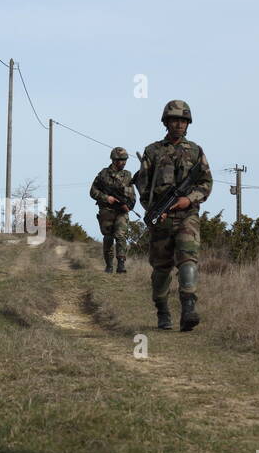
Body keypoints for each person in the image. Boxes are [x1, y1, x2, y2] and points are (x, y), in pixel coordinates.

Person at [134, 101, 213, 331]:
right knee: (161, 268)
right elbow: (142, 185)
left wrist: (189, 199)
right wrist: (155, 209)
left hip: (187, 214)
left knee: (188, 260)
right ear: (166, 122)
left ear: (188, 124)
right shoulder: (153, 151)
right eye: (174, 120)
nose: (178, 124)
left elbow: (206, 183)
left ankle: (189, 309)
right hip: (162, 217)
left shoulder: (196, 151)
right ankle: (163, 311)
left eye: (183, 120)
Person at [90, 147, 136, 273]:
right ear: (114, 160)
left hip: (122, 211)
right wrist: (106, 198)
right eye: (121, 159)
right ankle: (109, 265)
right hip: (107, 210)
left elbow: (132, 195)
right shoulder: (103, 174)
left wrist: (129, 206)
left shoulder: (127, 175)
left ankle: (121, 264)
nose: (124, 162)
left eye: (125, 159)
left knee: (121, 235)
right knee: (108, 238)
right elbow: (93, 191)